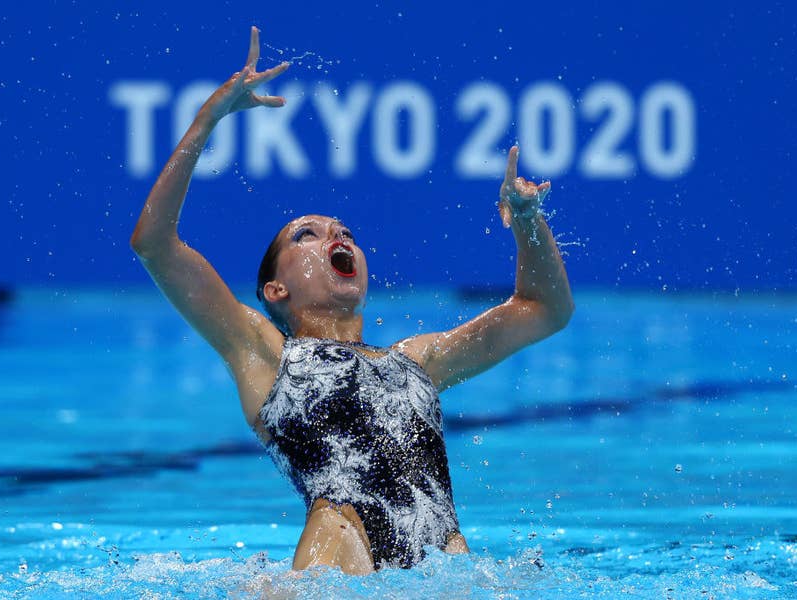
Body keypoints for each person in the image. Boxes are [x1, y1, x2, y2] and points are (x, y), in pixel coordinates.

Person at [130, 27, 573, 575]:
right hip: (342, 553)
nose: (336, 236)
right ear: (276, 290)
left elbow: (544, 310)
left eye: (343, 230)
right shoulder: (266, 355)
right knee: (333, 522)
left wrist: (528, 222)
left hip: (441, 569)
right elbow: (154, 244)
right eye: (307, 235)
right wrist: (207, 122)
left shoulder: (415, 362)